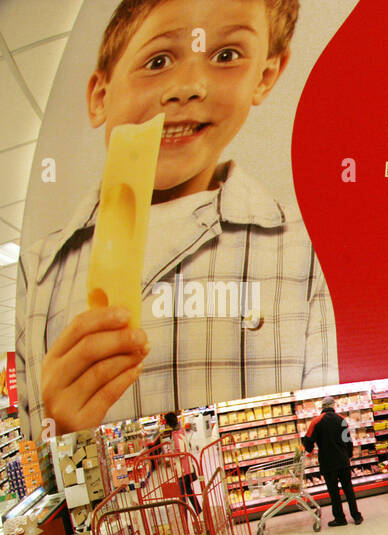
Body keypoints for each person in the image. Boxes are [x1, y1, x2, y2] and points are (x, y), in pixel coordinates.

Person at [17, 0, 337, 439]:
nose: (188, 88)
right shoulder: (38, 270)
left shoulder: (303, 250)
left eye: (226, 56)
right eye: (158, 60)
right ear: (99, 97)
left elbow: (320, 410)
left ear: (265, 76)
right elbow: (40, 445)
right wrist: (61, 431)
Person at [301, 395, 362, 527]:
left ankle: (340, 518)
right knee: (348, 489)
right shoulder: (342, 419)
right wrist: (349, 455)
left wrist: (307, 446)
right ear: (333, 406)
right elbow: (348, 440)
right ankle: (356, 516)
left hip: (328, 462)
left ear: (322, 407)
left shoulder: (316, 421)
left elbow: (308, 442)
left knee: (334, 491)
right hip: (343, 460)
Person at [163, 411, 200, 515]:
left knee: (182, 495)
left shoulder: (175, 434)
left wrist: (171, 454)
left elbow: (181, 451)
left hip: (182, 470)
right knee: (188, 491)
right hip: (187, 467)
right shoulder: (181, 430)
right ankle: (199, 512)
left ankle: (185, 517)